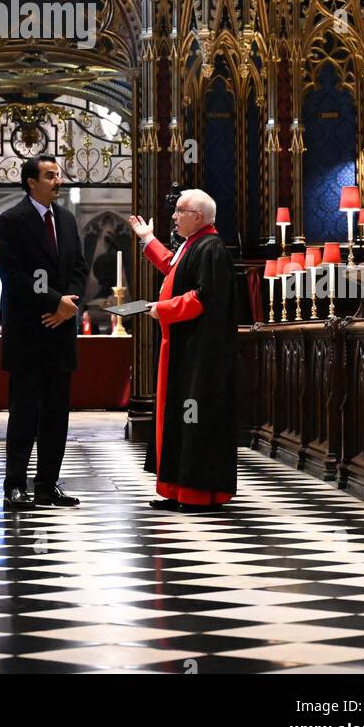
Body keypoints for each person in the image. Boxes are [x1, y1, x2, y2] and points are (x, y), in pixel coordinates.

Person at [128, 189, 237, 512]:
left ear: (197, 216)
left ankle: (198, 493)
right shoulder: (195, 244)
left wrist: (163, 308)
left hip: (201, 353)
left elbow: (204, 296)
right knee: (179, 417)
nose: (173, 217)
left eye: (179, 211)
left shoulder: (212, 248)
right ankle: (177, 488)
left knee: (195, 417)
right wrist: (147, 239)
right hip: (183, 348)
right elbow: (174, 269)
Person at [0, 154, 88, 509]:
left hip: (61, 332)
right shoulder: (10, 221)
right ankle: (15, 485)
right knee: (24, 414)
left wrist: (69, 306)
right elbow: (13, 276)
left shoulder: (66, 220)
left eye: (59, 175)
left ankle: (48, 484)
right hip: (28, 332)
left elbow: (79, 267)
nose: (57, 181)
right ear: (31, 182)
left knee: (56, 415)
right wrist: (53, 302)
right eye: (50, 175)